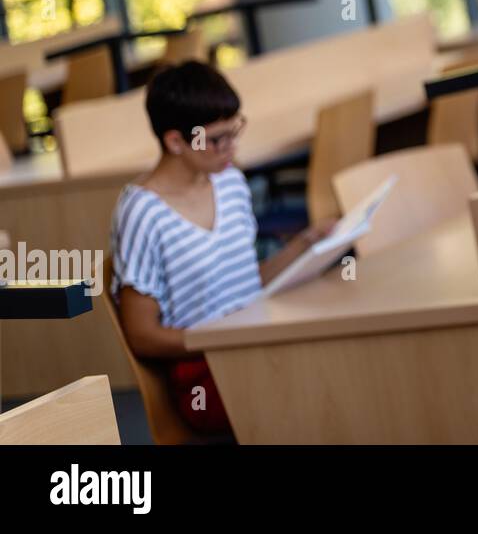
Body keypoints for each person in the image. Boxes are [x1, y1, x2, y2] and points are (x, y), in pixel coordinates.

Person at [110, 60, 336, 434]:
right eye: (217, 139)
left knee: (341, 362)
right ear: (175, 141)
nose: (231, 147)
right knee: (324, 385)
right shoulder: (143, 213)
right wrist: (220, 339)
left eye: (235, 131)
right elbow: (141, 334)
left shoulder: (230, 182)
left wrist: (305, 244)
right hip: (205, 372)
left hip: (254, 342)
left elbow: (244, 283)